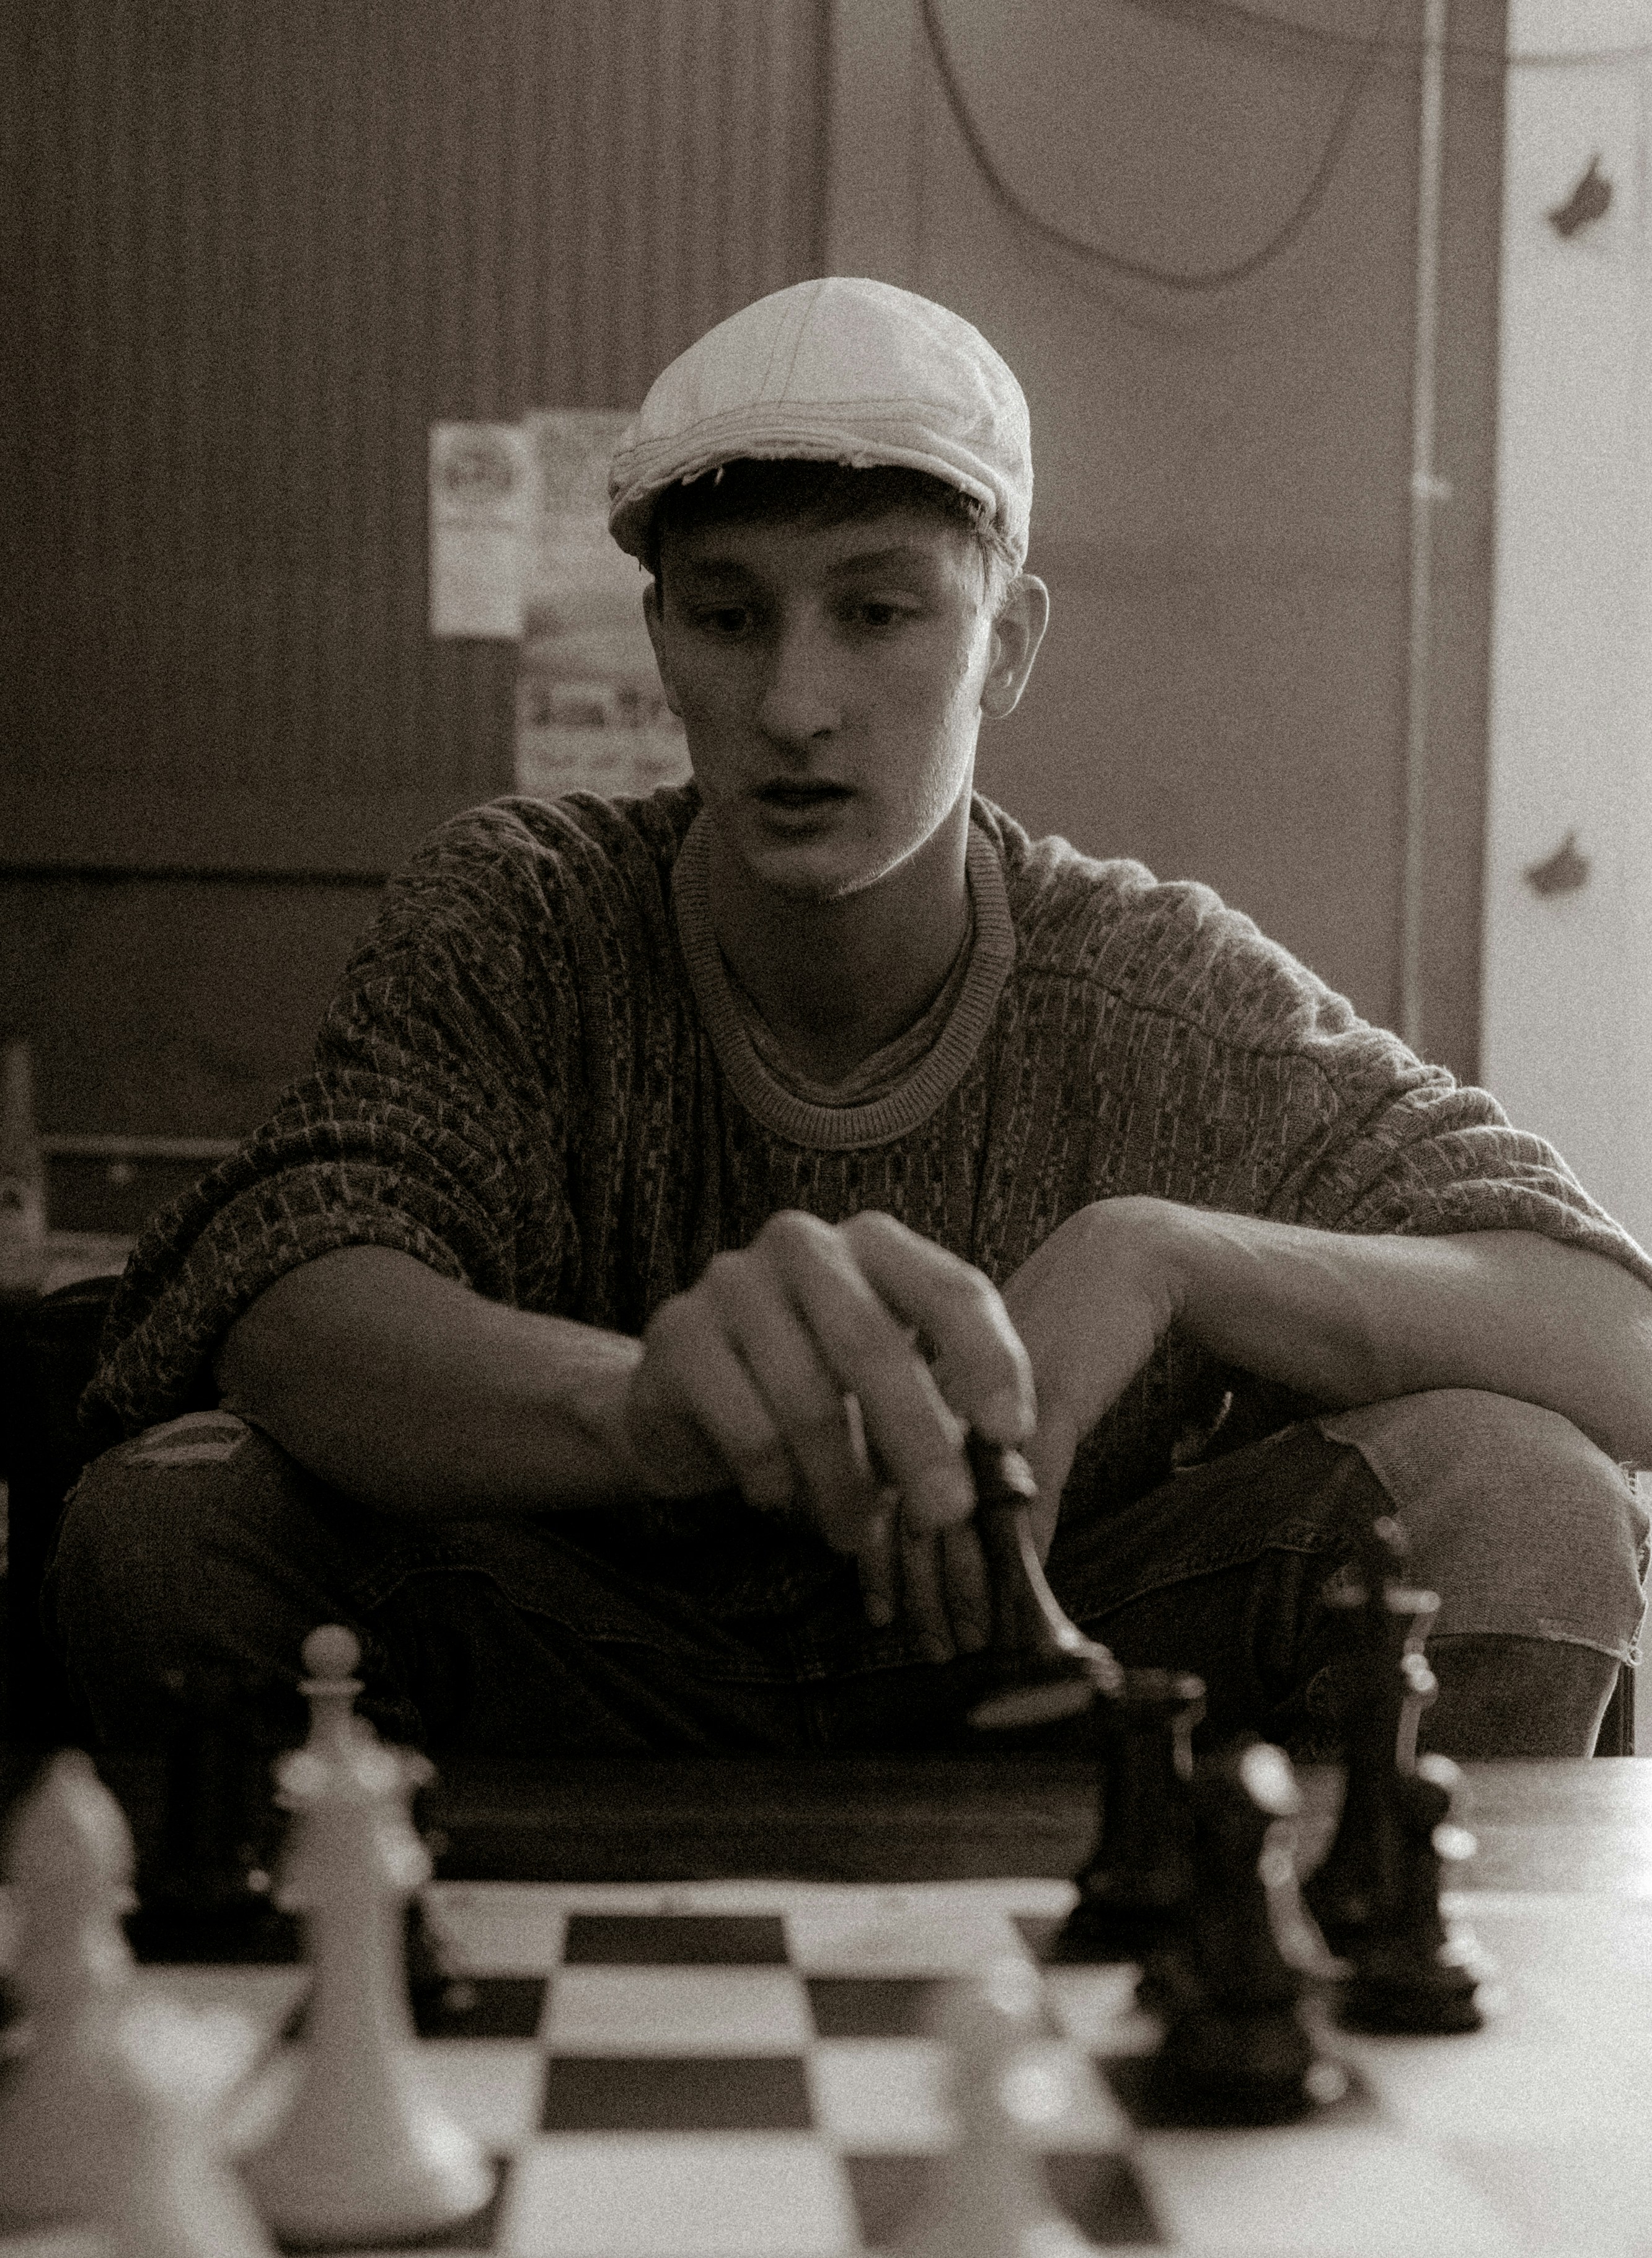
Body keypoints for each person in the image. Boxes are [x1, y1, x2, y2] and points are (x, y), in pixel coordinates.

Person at [48, 277, 1652, 1786]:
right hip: (587, 1673)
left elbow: (1624, 1349)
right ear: (659, 635)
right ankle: (364, 1980)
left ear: (1007, 641)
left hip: (1050, 1689)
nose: (795, 704)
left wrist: (1164, 1254)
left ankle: (1320, 1982)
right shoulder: (528, 915)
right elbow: (294, 1304)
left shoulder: (1154, 991)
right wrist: (642, 1413)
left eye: (879, 614)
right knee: (171, 1519)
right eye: (728, 618)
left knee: (1522, 1494)